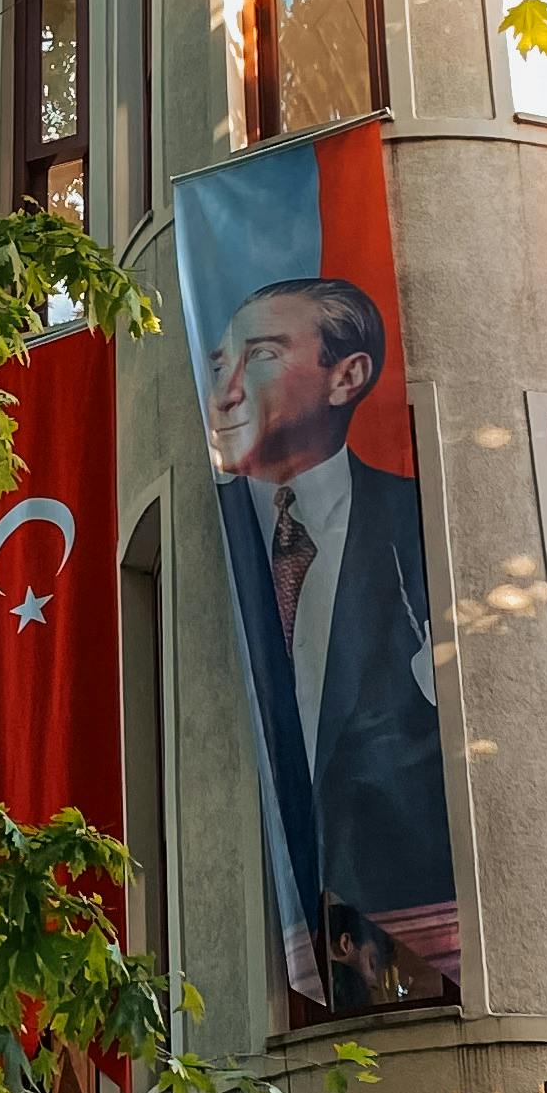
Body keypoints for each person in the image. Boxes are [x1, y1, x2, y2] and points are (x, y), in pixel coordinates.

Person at [205, 275, 458, 1007]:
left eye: (261, 357)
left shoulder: (416, 524)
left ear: (347, 376)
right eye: (220, 363)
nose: (226, 391)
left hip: (415, 954)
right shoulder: (206, 541)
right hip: (251, 972)